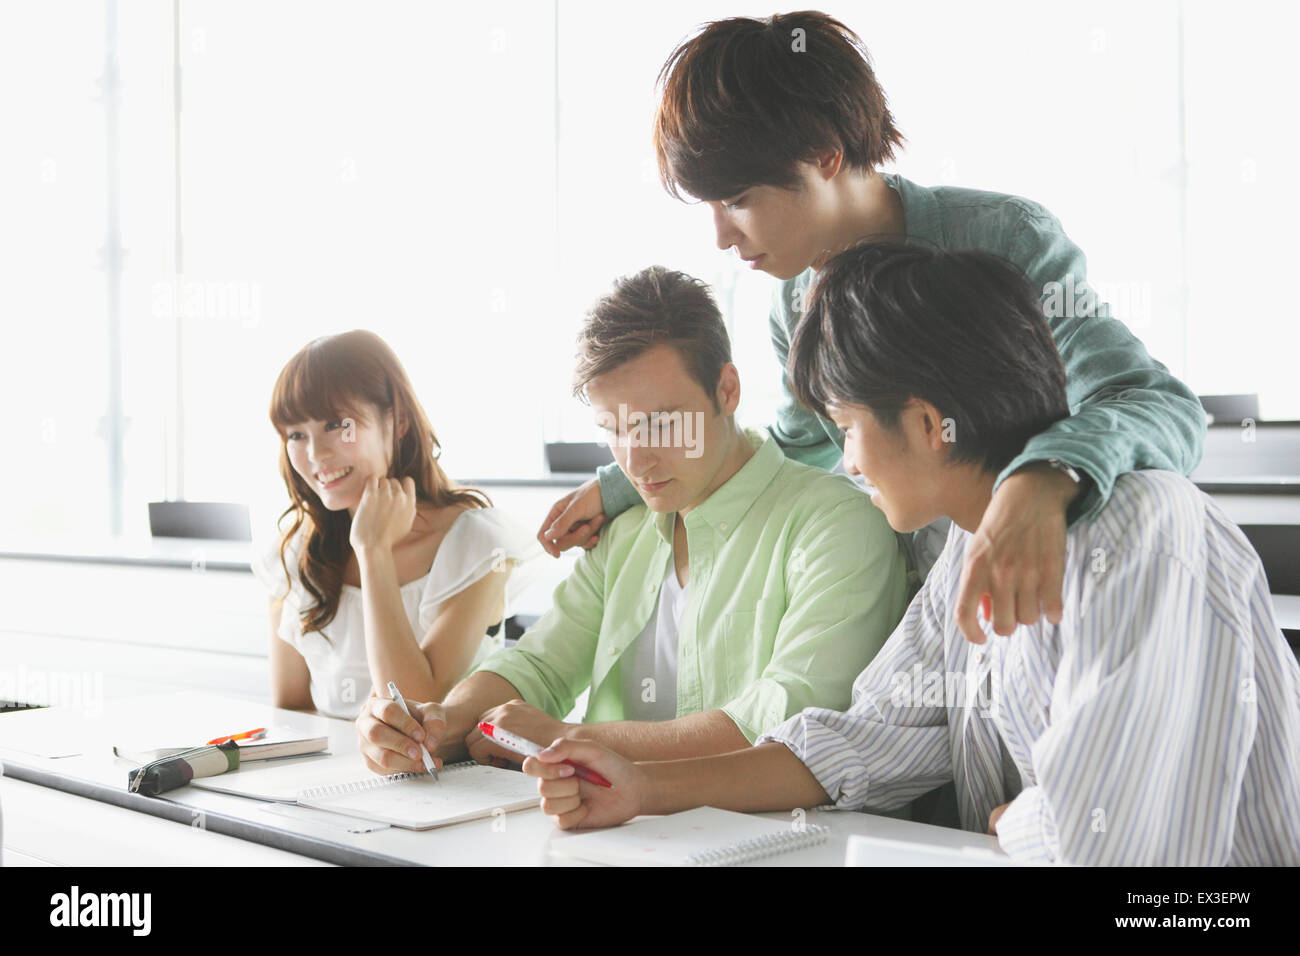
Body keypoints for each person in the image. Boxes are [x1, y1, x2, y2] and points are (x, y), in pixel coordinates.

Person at [517, 243, 1300, 866]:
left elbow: (1100, 846)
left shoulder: (1138, 538)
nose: (847, 462)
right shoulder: (967, 544)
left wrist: (1014, 823)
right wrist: (646, 789)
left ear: (928, 424)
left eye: (849, 429)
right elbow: (860, 740)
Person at [537, 10, 1206, 646]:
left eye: (738, 200)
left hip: (1067, 591)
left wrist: (1040, 478)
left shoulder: (1005, 239)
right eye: (710, 205)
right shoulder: (794, 299)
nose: (719, 236)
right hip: (932, 628)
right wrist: (626, 477)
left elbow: (1154, 405)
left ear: (824, 156)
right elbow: (791, 454)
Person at [354, 266, 909, 772]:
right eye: (614, 430)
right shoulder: (625, 529)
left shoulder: (838, 524)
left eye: (661, 424)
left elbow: (788, 721)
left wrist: (570, 737)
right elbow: (538, 668)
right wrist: (435, 725)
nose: (634, 461)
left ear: (728, 390)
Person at [251, 329, 543, 719]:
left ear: (398, 421)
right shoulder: (294, 551)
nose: (316, 454)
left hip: (444, 775)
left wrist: (374, 552)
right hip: (329, 777)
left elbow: (412, 705)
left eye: (338, 425)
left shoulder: (478, 546)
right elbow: (291, 710)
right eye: (296, 434)